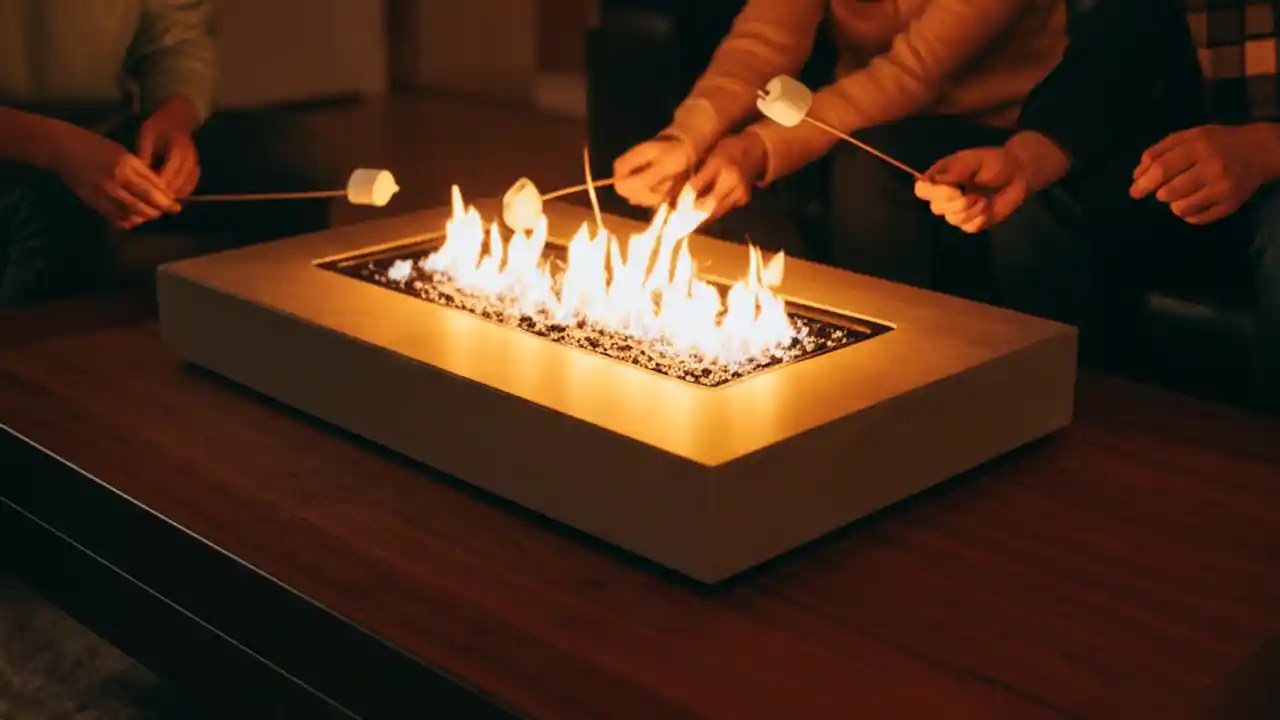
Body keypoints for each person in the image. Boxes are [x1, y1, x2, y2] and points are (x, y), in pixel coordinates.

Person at [918, 0, 1279, 408]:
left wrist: (1265, 148)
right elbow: (1115, 49)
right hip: (1208, 172)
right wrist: (1024, 159)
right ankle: (1053, 424)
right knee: (1040, 203)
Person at [610, 0, 1070, 261]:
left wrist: (758, 149)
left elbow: (913, 73)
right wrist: (686, 137)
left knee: (865, 162)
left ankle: (891, 374)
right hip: (859, 111)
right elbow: (765, 40)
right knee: (719, 185)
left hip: (1003, 126)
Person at [0, 1, 328, 309]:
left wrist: (175, 116)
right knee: (57, 211)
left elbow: (175, 33)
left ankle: (276, 338)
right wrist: (55, 148)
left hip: (105, 132)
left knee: (283, 163)